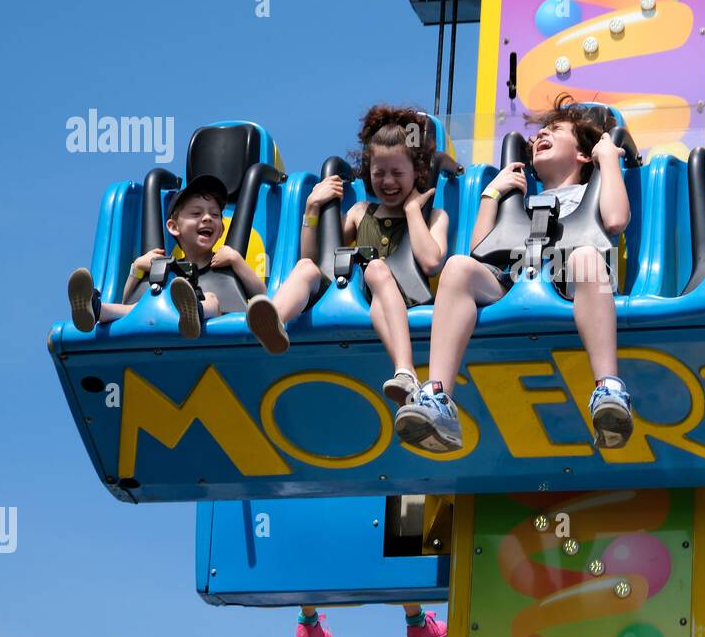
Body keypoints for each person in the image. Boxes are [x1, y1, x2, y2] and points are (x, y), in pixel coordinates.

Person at [393, 97, 634, 454]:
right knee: (458, 267)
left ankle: (609, 387)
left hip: (579, 280)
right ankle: (437, 396)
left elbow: (615, 220)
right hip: (520, 278)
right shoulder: (519, 204)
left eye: (554, 130)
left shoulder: (590, 190)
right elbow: (482, 249)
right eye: (540, 133)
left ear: (583, 155)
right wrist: (494, 193)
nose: (542, 136)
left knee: (586, 257)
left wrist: (609, 159)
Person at [244, 105, 448, 415]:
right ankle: (275, 320)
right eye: (379, 173)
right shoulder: (359, 212)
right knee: (304, 268)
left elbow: (432, 261)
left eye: (397, 173)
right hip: (352, 291)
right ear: (368, 172)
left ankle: (405, 371)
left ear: (416, 173)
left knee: (377, 270)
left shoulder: (434, 215)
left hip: (400, 293)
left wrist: (411, 213)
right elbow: (317, 258)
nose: (388, 181)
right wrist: (312, 209)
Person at [67, 175, 235, 339]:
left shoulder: (224, 262)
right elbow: (127, 300)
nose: (207, 218)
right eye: (196, 213)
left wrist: (236, 260)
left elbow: (259, 292)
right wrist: (137, 267)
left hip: (199, 321)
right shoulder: (167, 267)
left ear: (221, 230)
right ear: (174, 227)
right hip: (160, 315)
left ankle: (195, 311)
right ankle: (95, 309)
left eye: (214, 215)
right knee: (140, 305)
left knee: (212, 299)